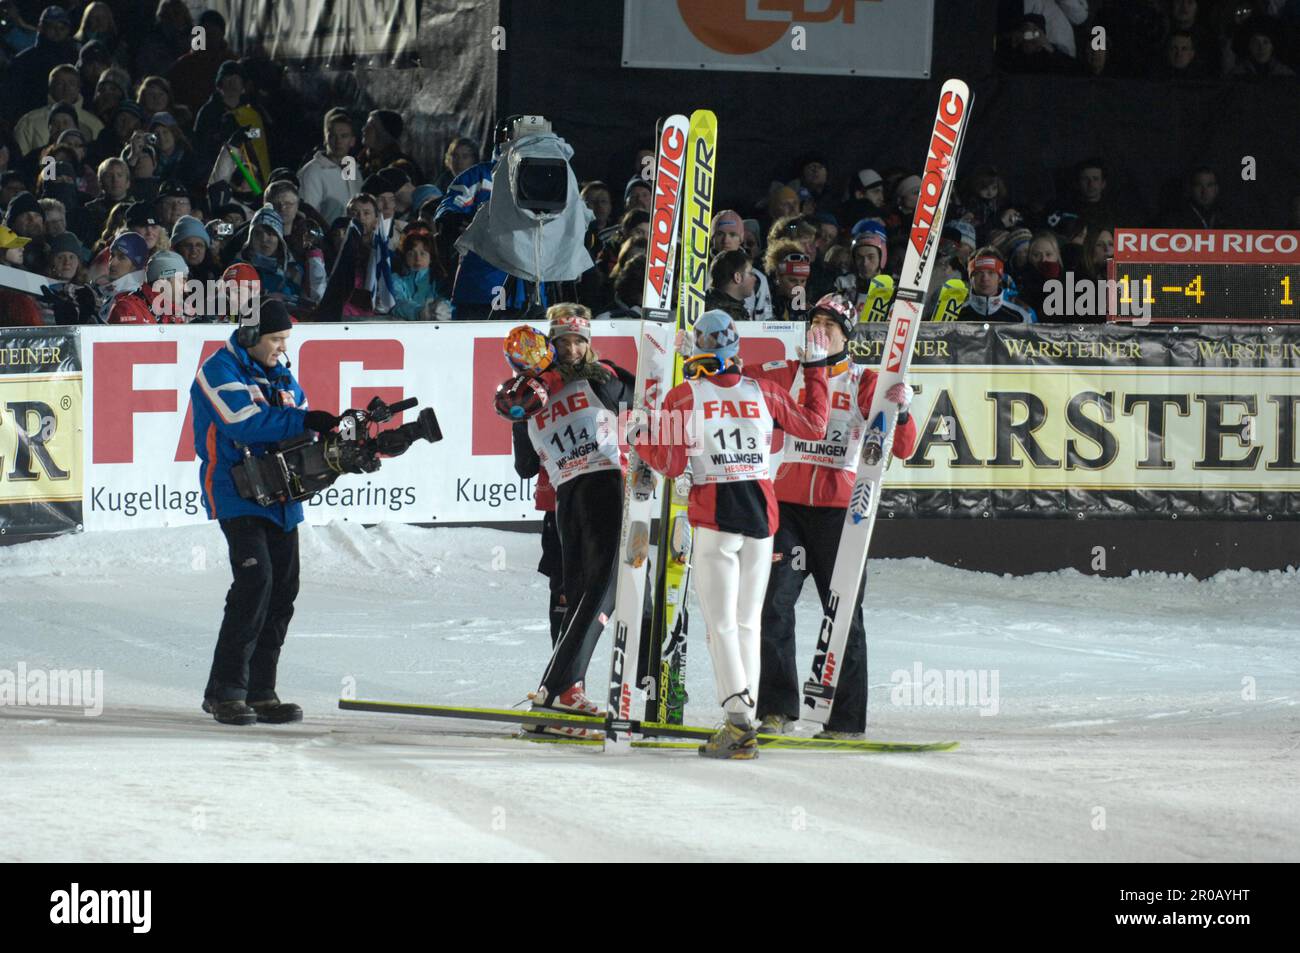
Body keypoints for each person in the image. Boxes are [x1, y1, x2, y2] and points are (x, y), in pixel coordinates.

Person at [631, 310, 830, 759]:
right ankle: (746, 719)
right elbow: (816, 426)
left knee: (720, 625)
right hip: (762, 519)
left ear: (698, 349)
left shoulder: (684, 396)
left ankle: (738, 721)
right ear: (735, 347)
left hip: (716, 520)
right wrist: (816, 372)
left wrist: (638, 435)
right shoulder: (763, 389)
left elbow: (671, 464)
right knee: (747, 624)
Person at [747, 293, 917, 739]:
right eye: (813, 323)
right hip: (787, 509)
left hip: (841, 515)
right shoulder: (788, 372)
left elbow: (903, 448)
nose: (818, 333)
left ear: (848, 336)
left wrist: (902, 413)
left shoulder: (865, 380)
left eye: (830, 326)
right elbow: (740, 385)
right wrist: (701, 359)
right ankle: (776, 710)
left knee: (842, 612)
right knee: (774, 606)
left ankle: (844, 720)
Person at [191, 299, 338, 725]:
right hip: (237, 494)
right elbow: (244, 423)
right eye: (275, 339)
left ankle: (260, 691)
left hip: (282, 496)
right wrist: (306, 420)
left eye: (285, 340)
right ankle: (224, 691)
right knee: (255, 582)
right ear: (252, 336)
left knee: (282, 590)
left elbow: (298, 422)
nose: (281, 348)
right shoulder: (217, 370)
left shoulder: (282, 374)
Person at [502, 305, 635, 737]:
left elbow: (645, 394)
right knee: (599, 592)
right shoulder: (530, 392)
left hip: (587, 490)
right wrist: (520, 419)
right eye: (564, 342)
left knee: (588, 596)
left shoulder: (603, 375)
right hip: (582, 492)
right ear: (550, 344)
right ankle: (561, 689)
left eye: (580, 340)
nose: (573, 349)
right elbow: (524, 465)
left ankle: (559, 690)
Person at [298, 108, 360, 224]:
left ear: (352, 141)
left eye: (344, 136)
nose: (338, 141)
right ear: (325, 139)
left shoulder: (354, 169)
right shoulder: (312, 173)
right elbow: (306, 216)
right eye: (333, 136)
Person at [957, 249, 1037, 322]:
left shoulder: (1022, 314)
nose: (985, 278)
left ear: (1000, 278)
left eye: (991, 273)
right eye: (978, 273)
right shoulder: (955, 312)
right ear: (970, 278)